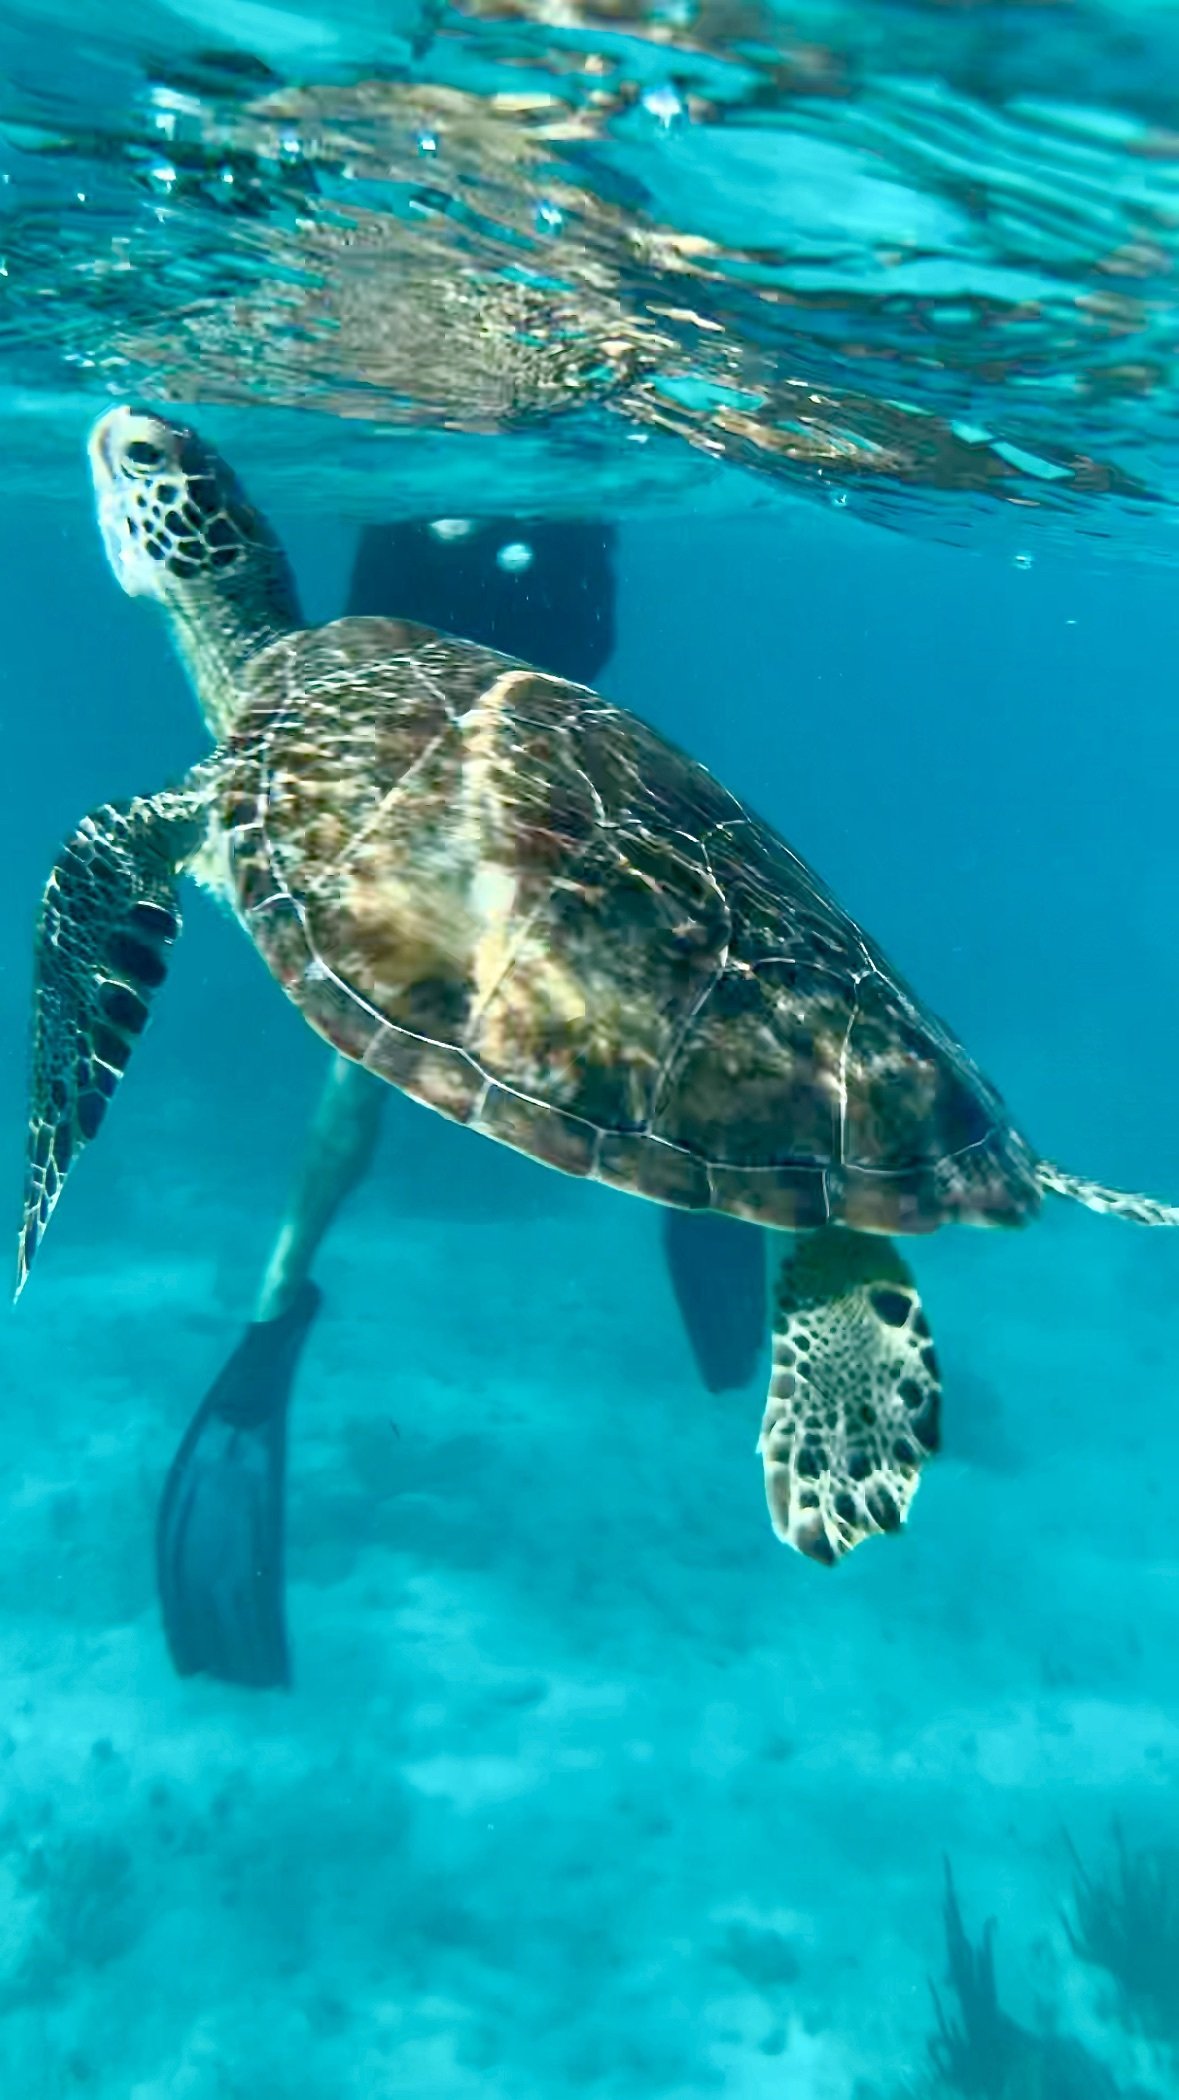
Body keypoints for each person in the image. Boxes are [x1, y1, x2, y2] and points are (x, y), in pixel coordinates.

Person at [156, 515, 767, 1690]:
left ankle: (276, 1311)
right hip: (499, 703)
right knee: (445, 1011)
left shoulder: (401, 551)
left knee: (382, 1036)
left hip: (489, 703)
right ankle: (713, 1170)